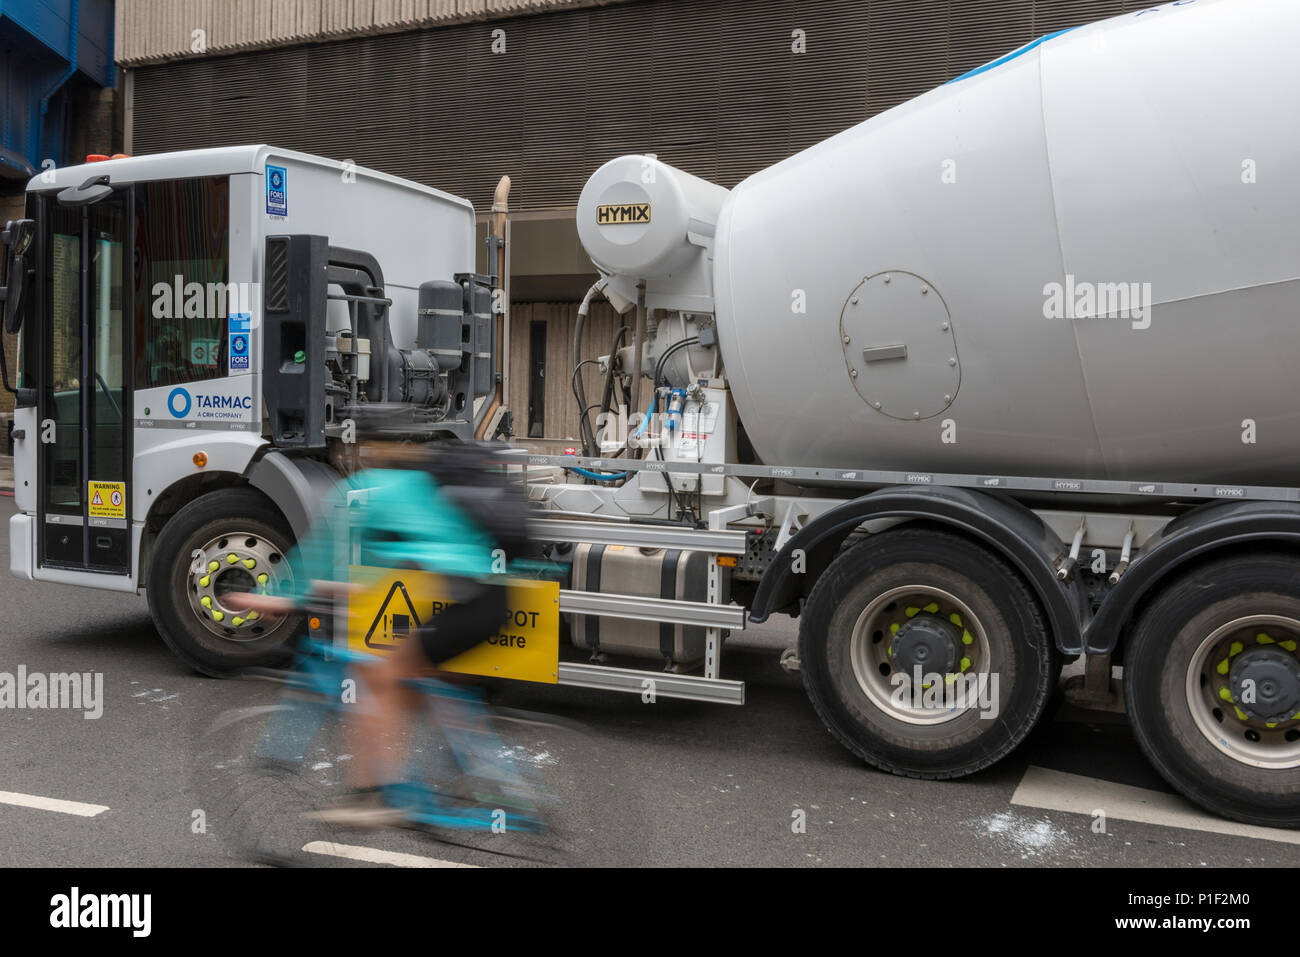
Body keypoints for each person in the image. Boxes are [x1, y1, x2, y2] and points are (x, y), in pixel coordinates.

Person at [240, 433, 516, 826]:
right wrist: (331, 590)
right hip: (491, 599)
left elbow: (319, 555)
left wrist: (279, 596)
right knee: (420, 681)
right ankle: (476, 778)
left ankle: (372, 798)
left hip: (471, 603)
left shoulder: (365, 490)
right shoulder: (419, 486)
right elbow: (380, 567)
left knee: (378, 676)